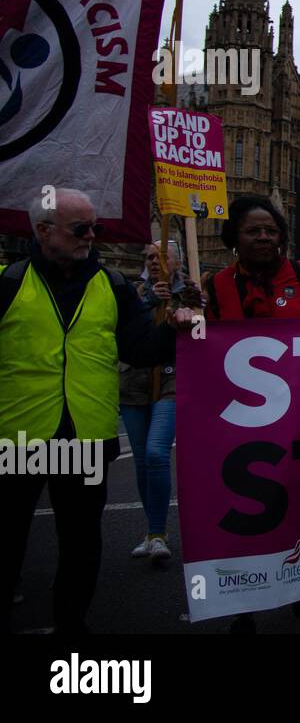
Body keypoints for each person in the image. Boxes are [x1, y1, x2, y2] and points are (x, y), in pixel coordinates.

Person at [1, 188, 197, 633]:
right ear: (43, 231)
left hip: (85, 435)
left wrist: (173, 329)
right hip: (19, 438)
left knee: (81, 543)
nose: (92, 235)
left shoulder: (112, 285)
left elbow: (140, 350)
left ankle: (72, 628)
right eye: (80, 228)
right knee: (9, 539)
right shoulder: (10, 282)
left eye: (96, 227)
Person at [205, 194, 300, 632]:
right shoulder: (217, 284)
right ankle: (244, 600)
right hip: (244, 420)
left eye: (271, 230)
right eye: (253, 231)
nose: (263, 237)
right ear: (234, 238)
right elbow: (205, 347)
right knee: (246, 507)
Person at [121, 240, 201, 563]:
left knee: (156, 452)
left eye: (162, 257)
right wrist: (150, 299)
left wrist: (197, 308)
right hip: (134, 380)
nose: (155, 262)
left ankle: (157, 534)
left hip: (172, 377)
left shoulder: (191, 292)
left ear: (178, 263)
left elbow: (204, 333)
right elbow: (122, 329)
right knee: (141, 462)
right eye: (150, 257)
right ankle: (155, 531)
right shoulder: (132, 292)